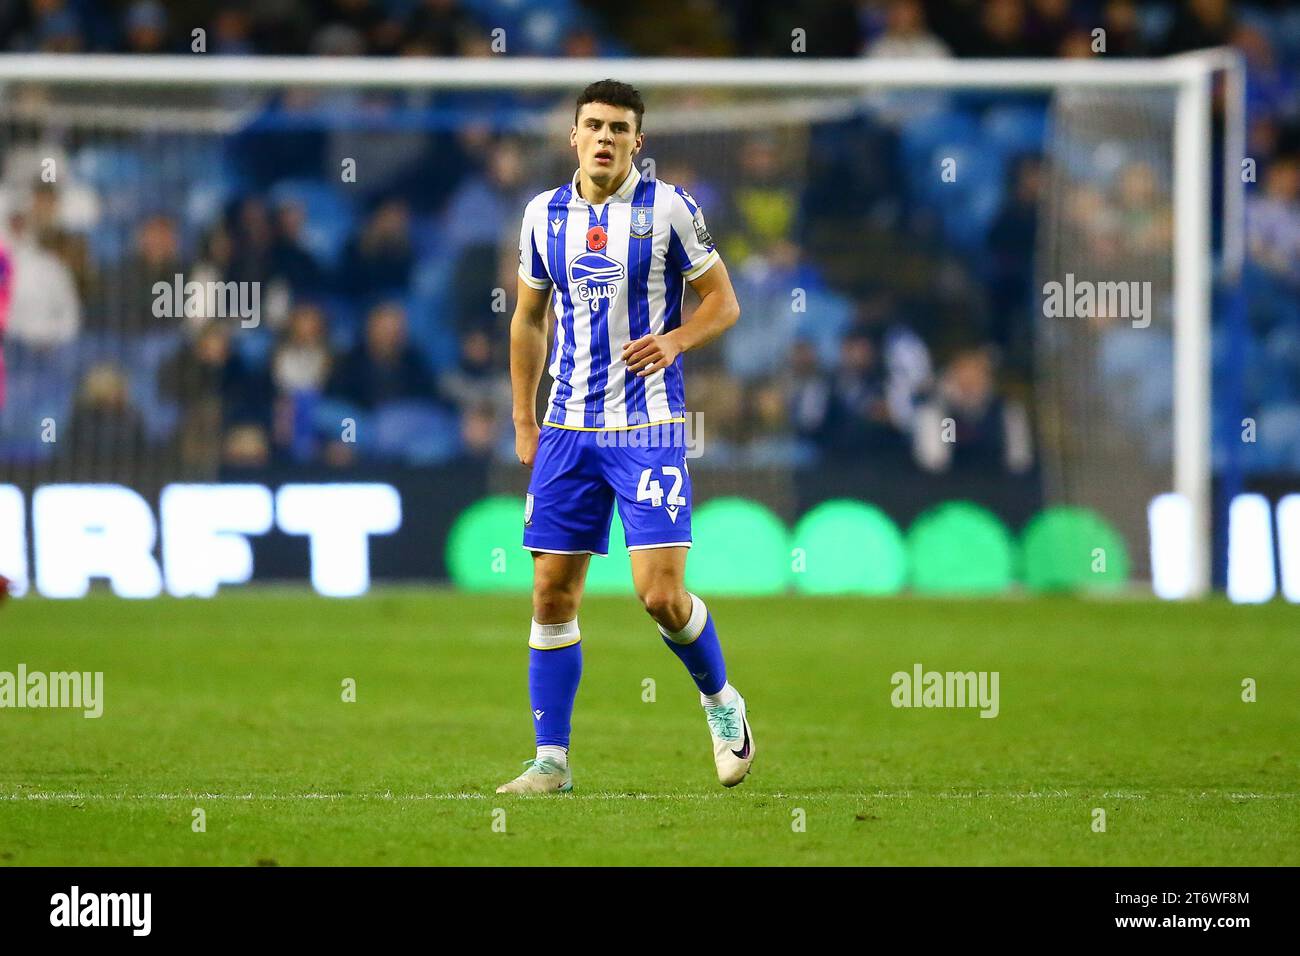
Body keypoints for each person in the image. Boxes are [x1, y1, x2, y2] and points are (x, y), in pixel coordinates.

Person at [501, 79, 750, 794]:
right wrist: (524, 416)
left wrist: (674, 340)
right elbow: (527, 319)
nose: (605, 137)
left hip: (647, 427)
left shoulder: (669, 207)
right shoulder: (541, 216)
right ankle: (551, 761)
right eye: (593, 126)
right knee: (550, 593)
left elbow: (723, 304)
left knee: (660, 596)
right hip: (567, 429)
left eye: (618, 128)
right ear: (572, 137)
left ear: (637, 141)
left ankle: (720, 702)